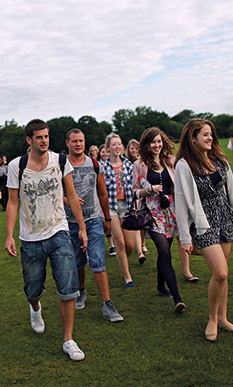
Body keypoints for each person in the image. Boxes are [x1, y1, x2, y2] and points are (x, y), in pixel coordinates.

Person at [5, 119, 88, 361]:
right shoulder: (16, 166)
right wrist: (9, 236)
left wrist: (81, 228)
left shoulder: (60, 161)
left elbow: (71, 196)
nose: (44, 140)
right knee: (33, 288)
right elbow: (12, 202)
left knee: (67, 285)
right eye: (39, 137)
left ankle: (69, 340)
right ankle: (35, 307)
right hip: (30, 238)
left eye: (46, 136)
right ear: (29, 140)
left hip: (59, 231)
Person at [174, 119, 233, 342]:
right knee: (220, 273)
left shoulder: (219, 160)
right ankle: (211, 318)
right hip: (203, 224)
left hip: (225, 220)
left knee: (223, 275)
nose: (210, 138)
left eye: (211, 135)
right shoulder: (184, 164)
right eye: (205, 135)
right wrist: (185, 237)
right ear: (193, 138)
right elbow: (180, 202)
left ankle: (223, 318)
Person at [63, 128, 123, 322]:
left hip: (94, 219)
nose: (78, 144)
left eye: (81, 140)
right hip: (70, 222)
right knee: (78, 261)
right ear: (67, 143)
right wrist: (67, 200)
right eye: (74, 141)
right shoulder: (61, 166)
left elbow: (103, 193)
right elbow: (54, 192)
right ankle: (81, 291)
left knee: (98, 260)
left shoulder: (95, 164)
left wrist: (107, 218)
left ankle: (107, 304)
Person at [132, 127, 186, 312]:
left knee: (166, 251)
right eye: (153, 142)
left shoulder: (170, 161)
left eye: (159, 141)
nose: (156, 145)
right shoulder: (139, 164)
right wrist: (149, 189)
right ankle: (177, 299)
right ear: (146, 144)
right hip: (152, 212)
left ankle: (160, 285)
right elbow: (135, 193)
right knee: (164, 251)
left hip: (170, 210)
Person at [102, 133, 136, 287]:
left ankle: (122, 260)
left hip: (127, 206)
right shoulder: (103, 166)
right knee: (120, 243)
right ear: (108, 148)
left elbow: (135, 185)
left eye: (119, 144)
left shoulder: (129, 165)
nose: (117, 147)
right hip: (112, 207)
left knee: (130, 245)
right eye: (114, 144)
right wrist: (102, 211)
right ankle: (127, 277)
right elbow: (99, 190)